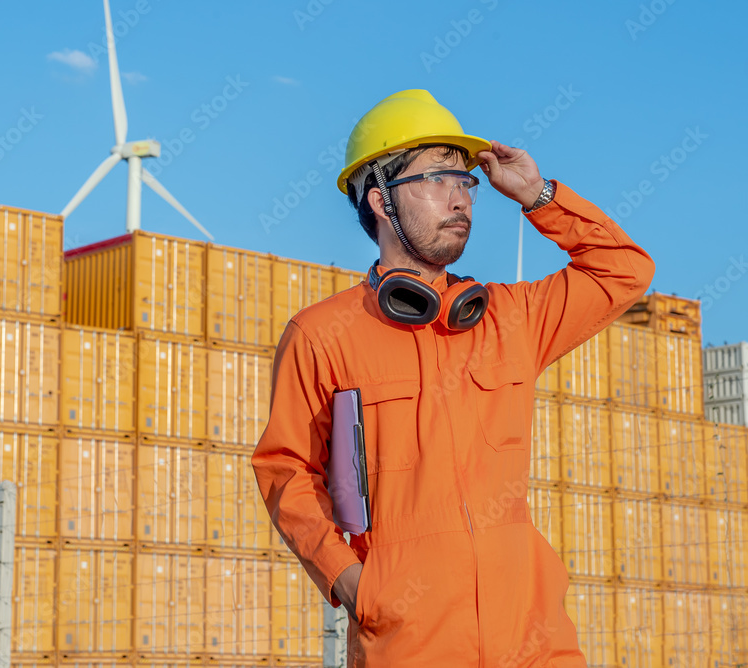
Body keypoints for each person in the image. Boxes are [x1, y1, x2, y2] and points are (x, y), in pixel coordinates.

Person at [251, 90, 654, 666]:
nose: (460, 198)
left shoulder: (510, 320)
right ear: (381, 200)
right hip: (410, 642)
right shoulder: (323, 335)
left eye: (466, 183)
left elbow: (626, 270)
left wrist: (538, 196)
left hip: (537, 640)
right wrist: (350, 581)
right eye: (438, 179)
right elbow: (285, 469)